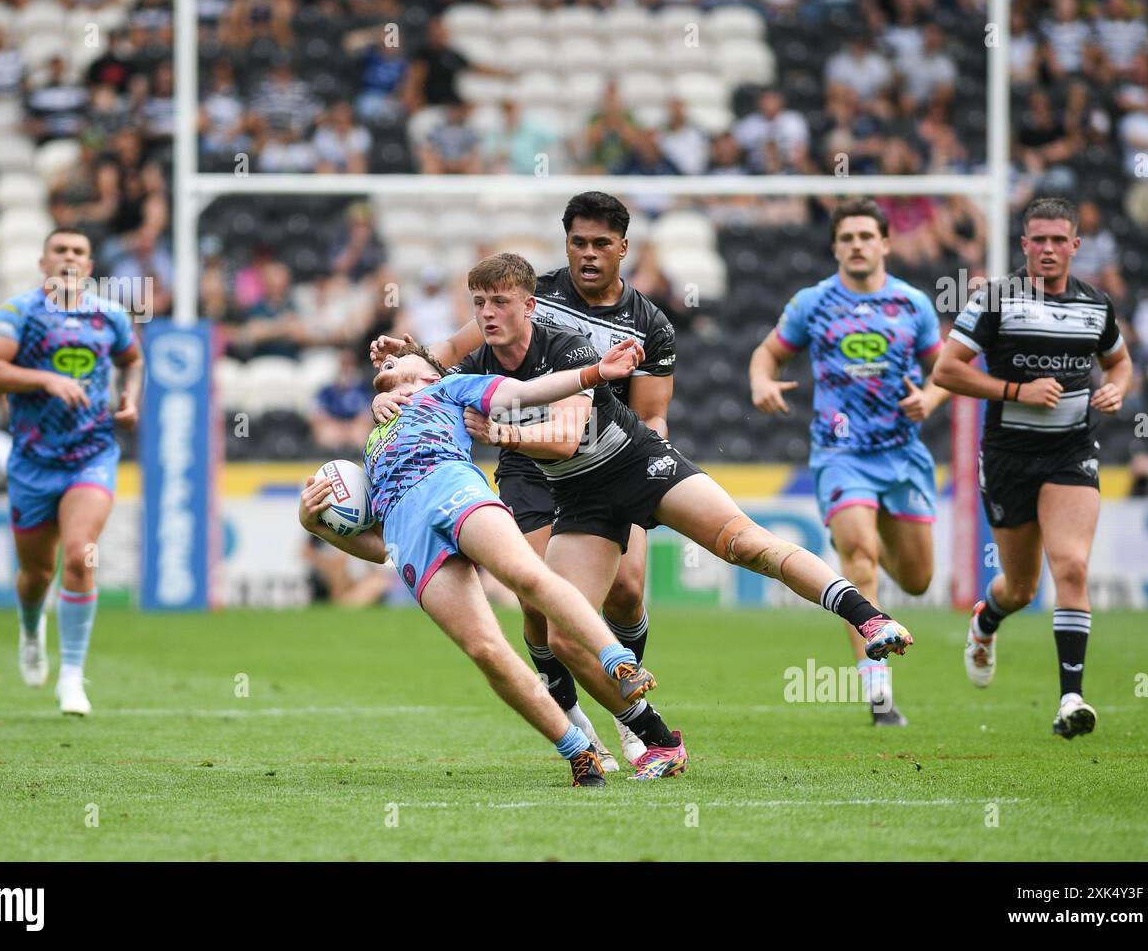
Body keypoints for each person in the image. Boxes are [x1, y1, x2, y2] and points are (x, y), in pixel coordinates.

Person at [372, 254, 915, 771]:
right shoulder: (474, 366)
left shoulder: (569, 346)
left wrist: (500, 433)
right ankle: (658, 740)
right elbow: (424, 376)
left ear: (529, 305)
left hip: (638, 465)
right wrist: (388, 390)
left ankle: (869, 618)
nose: (487, 313)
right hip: (581, 500)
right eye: (479, 303)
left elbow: (563, 440)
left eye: (500, 302)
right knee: (563, 635)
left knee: (745, 544)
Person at [371, 193, 675, 769]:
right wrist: (402, 366)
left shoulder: (649, 322)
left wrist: (653, 462)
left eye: (600, 243)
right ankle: (588, 716)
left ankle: (622, 707)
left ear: (622, 249)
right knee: (534, 596)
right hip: (526, 466)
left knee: (629, 589)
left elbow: (653, 411)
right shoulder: (528, 293)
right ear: (567, 244)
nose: (587, 253)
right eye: (578, 241)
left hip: (604, 462)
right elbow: (448, 358)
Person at [300, 338, 667, 786]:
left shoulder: (449, 387)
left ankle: (619, 663)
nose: (382, 362)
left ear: (430, 374)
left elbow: (522, 395)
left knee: (525, 575)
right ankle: (579, 753)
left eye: (401, 361)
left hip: (452, 486)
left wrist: (594, 374)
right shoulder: (373, 437)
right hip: (406, 534)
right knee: (485, 650)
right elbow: (378, 549)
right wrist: (318, 526)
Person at [933, 197, 1132, 740]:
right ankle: (986, 622)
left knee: (1070, 566)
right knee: (1020, 587)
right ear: (1024, 245)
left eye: (1057, 240)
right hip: (1008, 456)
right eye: (1037, 240)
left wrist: (1116, 388)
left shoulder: (1096, 304)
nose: (1047, 249)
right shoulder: (996, 300)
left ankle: (1072, 698)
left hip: (1072, 452)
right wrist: (1017, 390)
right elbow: (947, 371)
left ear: (1075, 244)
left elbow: (1117, 359)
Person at [749, 198, 948, 726]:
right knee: (859, 558)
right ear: (835, 246)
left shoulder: (913, 305)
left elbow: (945, 370)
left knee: (919, 578)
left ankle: (862, 535)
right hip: (841, 453)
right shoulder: (813, 303)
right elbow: (767, 353)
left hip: (903, 455)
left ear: (885, 242)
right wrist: (762, 381)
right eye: (848, 237)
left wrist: (930, 399)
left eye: (867, 236)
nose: (857, 245)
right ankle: (879, 695)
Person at [0, 227, 143, 715]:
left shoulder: (108, 315)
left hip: (91, 454)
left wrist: (131, 395)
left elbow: (132, 359)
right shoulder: (18, 313)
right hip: (32, 461)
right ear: (43, 262)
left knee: (79, 556)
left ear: (89, 267)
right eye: (60, 250)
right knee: (35, 572)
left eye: (79, 252)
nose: (69, 258)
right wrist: (46, 379)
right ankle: (31, 628)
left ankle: (72, 676)